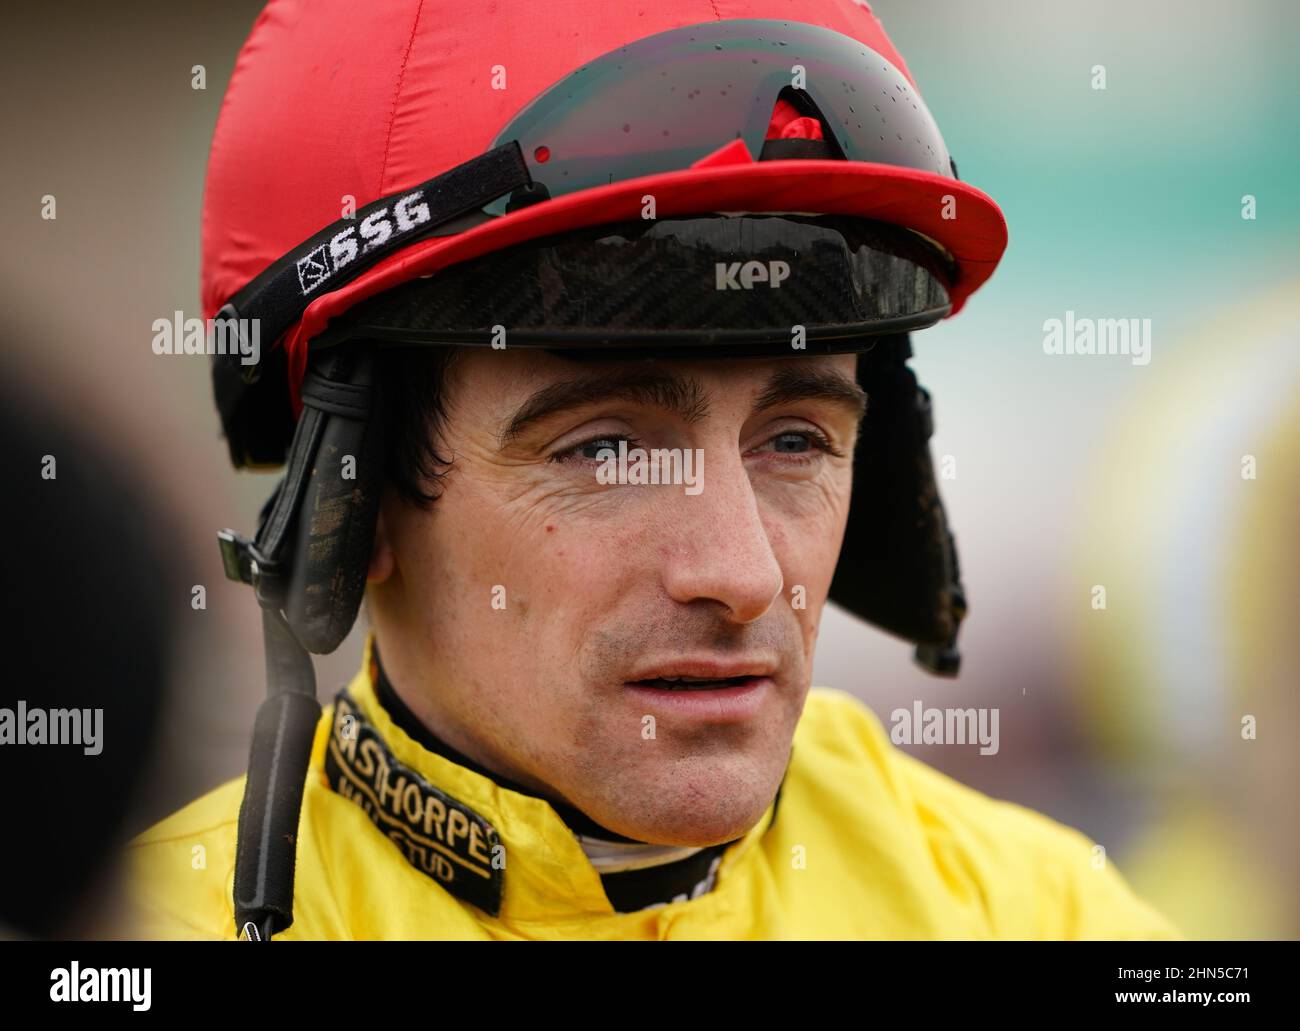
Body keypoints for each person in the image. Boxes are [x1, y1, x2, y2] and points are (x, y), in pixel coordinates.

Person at [127, 0, 1179, 940]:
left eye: (794, 439)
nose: (744, 572)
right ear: (352, 502)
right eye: (606, 448)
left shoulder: (1040, 912)